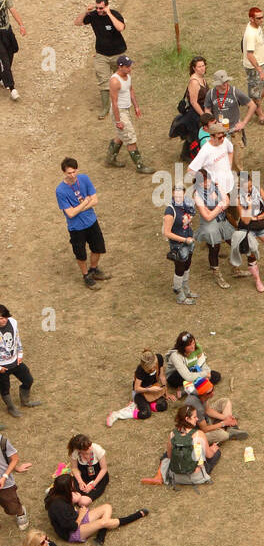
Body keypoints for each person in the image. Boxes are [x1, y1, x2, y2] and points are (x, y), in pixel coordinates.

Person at [54, 157, 112, 291]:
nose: (72, 175)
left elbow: (95, 200)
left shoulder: (84, 179)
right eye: (69, 173)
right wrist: (86, 202)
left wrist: (78, 207)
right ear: (64, 173)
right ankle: (86, 275)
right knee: (80, 254)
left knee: (98, 248)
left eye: (74, 172)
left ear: (77, 169)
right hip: (76, 228)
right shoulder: (60, 190)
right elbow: (70, 214)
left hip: (91, 222)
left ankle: (93, 270)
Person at [43, 474, 146, 546]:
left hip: (75, 518)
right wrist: (81, 514)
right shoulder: (59, 507)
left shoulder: (56, 493)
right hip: (71, 532)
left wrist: (77, 507)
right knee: (103, 522)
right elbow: (72, 526)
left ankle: (100, 536)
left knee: (107, 507)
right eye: (72, 485)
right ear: (66, 489)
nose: (74, 486)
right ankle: (136, 515)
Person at [142, 404, 221, 486]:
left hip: (176, 477)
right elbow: (209, 455)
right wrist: (213, 449)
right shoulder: (199, 434)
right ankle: (202, 472)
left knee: (167, 453)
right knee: (217, 453)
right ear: (187, 419)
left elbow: (169, 456)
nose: (197, 419)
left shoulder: (172, 434)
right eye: (194, 417)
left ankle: (160, 475)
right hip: (196, 477)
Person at [75, 0, 126, 119]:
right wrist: (85, 12)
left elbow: (121, 28)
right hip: (101, 55)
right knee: (103, 81)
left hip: (118, 53)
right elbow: (77, 23)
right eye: (97, 8)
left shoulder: (114, 14)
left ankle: (124, 102)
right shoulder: (93, 15)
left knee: (121, 78)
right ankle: (105, 108)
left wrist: (109, 14)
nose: (98, 10)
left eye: (101, 8)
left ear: (107, 6)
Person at [106, 349, 179, 427]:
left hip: (152, 389)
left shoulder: (159, 358)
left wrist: (166, 393)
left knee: (163, 406)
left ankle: (143, 404)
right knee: (146, 413)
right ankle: (118, 414)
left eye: (154, 367)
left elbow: (162, 376)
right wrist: (149, 389)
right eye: (149, 370)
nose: (152, 369)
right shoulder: (140, 370)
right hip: (140, 393)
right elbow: (137, 388)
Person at [192, 168, 235, 290]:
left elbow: (227, 201)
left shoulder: (216, 185)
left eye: (207, 180)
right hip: (209, 225)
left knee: (234, 242)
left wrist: (218, 208)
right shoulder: (197, 194)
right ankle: (217, 274)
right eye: (203, 182)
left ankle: (235, 267)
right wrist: (220, 206)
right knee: (214, 248)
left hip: (221, 220)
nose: (206, 184)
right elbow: (207, 216)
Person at [204, 70, 254, 175]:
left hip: (234, 132)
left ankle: (242, 183)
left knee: (236, 162)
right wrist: (212, 123)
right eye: (222, 82)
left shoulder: (235, 92)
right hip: (219, 133)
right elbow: (207, 109)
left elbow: (252, 105)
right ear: (217, 84)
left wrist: (243, 123)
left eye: (226, 81)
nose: (225, 84)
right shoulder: (211, 94)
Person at [106, 56, 151, 173]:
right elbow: (114, 103)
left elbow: (131, 91)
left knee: (122, 135)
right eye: (127, 66)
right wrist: (118, 121)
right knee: (130, 138)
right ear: (120, 67)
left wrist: (136, 106)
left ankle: (110, 158)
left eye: (130, 66)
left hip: (126, 109)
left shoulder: (128, 76)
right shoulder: (115, 81)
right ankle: (140, 165)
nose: (130, 68)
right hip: (119, 111)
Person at [0, 306, 40, 421]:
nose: (3, 320)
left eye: (4, 317)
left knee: (28, 380)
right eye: (0, 318)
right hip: (2, 368)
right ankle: (11, 408)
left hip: (15, 362)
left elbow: (17, 339)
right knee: (5, 389)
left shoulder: (13, 322)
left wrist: (20, 354)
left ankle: (25, 401)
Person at [185, 377, 248, 447]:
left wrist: (226, 418)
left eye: (213, 389)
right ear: (202, 394)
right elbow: (205, 429)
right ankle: (228, 433)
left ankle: (229, 428)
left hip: (205, 418)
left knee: (224, 401)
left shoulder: (201, 394)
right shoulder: (196, 407)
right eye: (209, 393)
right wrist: (223, 423)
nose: (213, 393)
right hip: (198, 430)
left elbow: (208, 410)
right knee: (222, 435)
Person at [241, 7, 264, 124]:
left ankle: (254, 103)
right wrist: (260, 70)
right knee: (255, 93)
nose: (261, 20)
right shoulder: (251, 34)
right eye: (258, 18)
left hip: (262, 62)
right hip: (254, 68)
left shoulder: (256, 26)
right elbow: (249, 55)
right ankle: (261, 117)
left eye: (262, 17)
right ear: (251, 19)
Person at [0, 0, 26, 102]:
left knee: (12, 50)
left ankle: (2, 75)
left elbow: (12, 10)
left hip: (7, 31)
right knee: (4, 59)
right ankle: (12, 88)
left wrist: (21, 25)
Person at [0, 433, 31, 529]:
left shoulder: (2, 441)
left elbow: (14, 459)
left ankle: (20, 512)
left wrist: (5, 476)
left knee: (12, 507)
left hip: (5, 484)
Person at [65, 434, 109, 500]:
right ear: (79, 450)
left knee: (83, 501)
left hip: (98, 477)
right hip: (83, 476)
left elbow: (104, 469)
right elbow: (74, 468)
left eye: (90, 445)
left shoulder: (97, 449)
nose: (90, 448)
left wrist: (92, 485)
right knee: (75, 497)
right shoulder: (75, 452)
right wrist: (80, 482)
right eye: (86, 449)